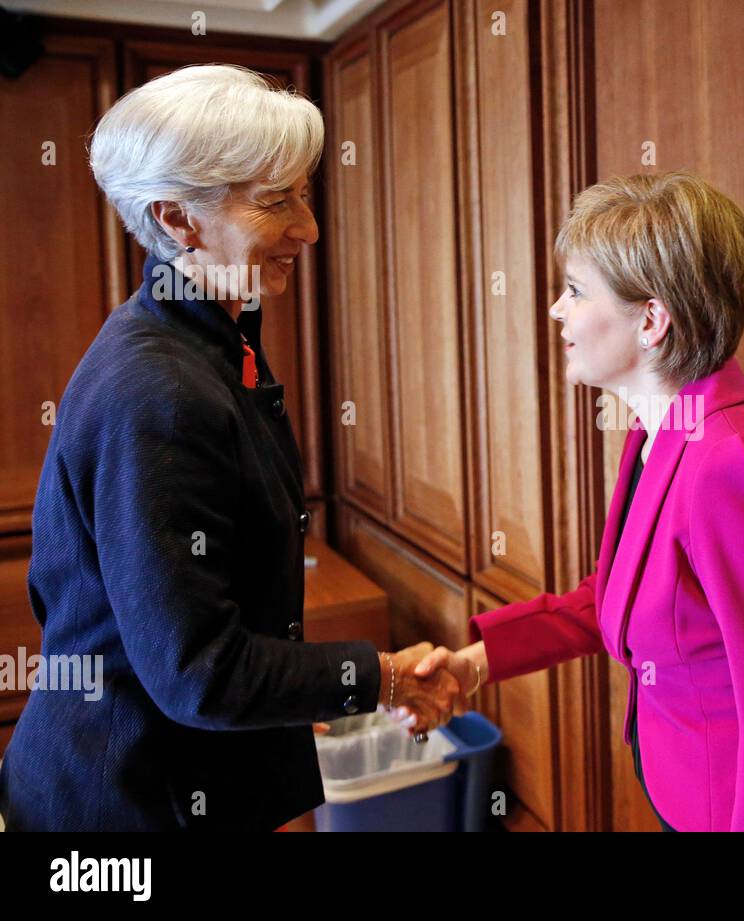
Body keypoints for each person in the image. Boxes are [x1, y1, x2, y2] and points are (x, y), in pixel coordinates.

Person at [0, 65, 454, 832]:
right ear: (177, 218)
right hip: (122, 809)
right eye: (275, 201)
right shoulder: (156, 390)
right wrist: (378, 675)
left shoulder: (210, 332)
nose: (308, 228)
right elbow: (200, 671)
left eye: (303, 194)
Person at [400, 172, 744, 831]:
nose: (557, 311)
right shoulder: (656, 431)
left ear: (653, 320)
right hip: (681, 781)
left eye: (575, 291)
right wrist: (475, 663)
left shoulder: (732, 467)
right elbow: (621, 593)